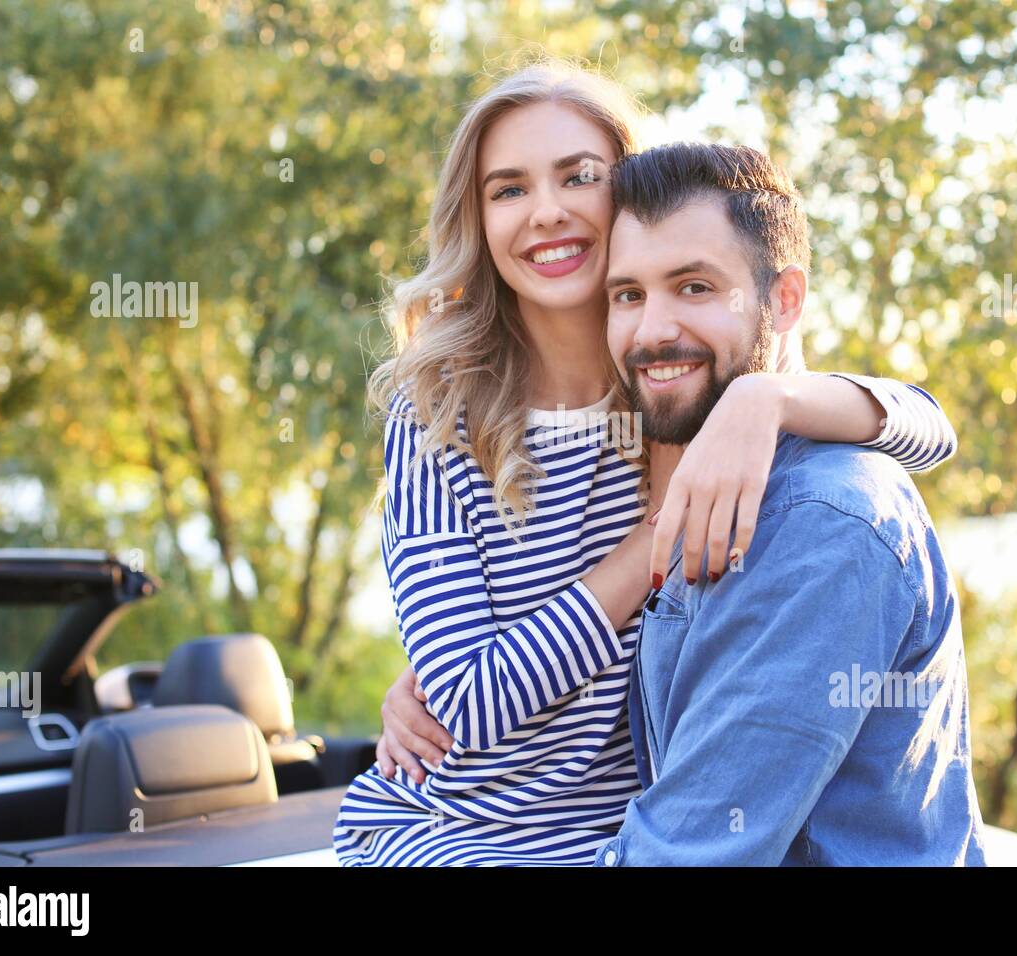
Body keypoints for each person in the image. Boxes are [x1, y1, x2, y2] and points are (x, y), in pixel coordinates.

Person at [334, 58, 960, 867]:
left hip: (637, 832)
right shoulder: (438, 417)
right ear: (478, 216)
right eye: (509, 189)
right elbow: (467, 700)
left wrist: (770, 401)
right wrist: (657, 542)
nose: (546, 212)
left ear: (625, 195)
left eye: (577, 176)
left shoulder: (673, 380)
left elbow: (927, 430)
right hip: (463, 833)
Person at [592, 141, 988, 866]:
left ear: (785, 298)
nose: (651, 331)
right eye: (628, 295)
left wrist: (761, 394)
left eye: (695, 287)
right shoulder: (721, 475)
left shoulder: (817, 526)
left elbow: (684, 856)